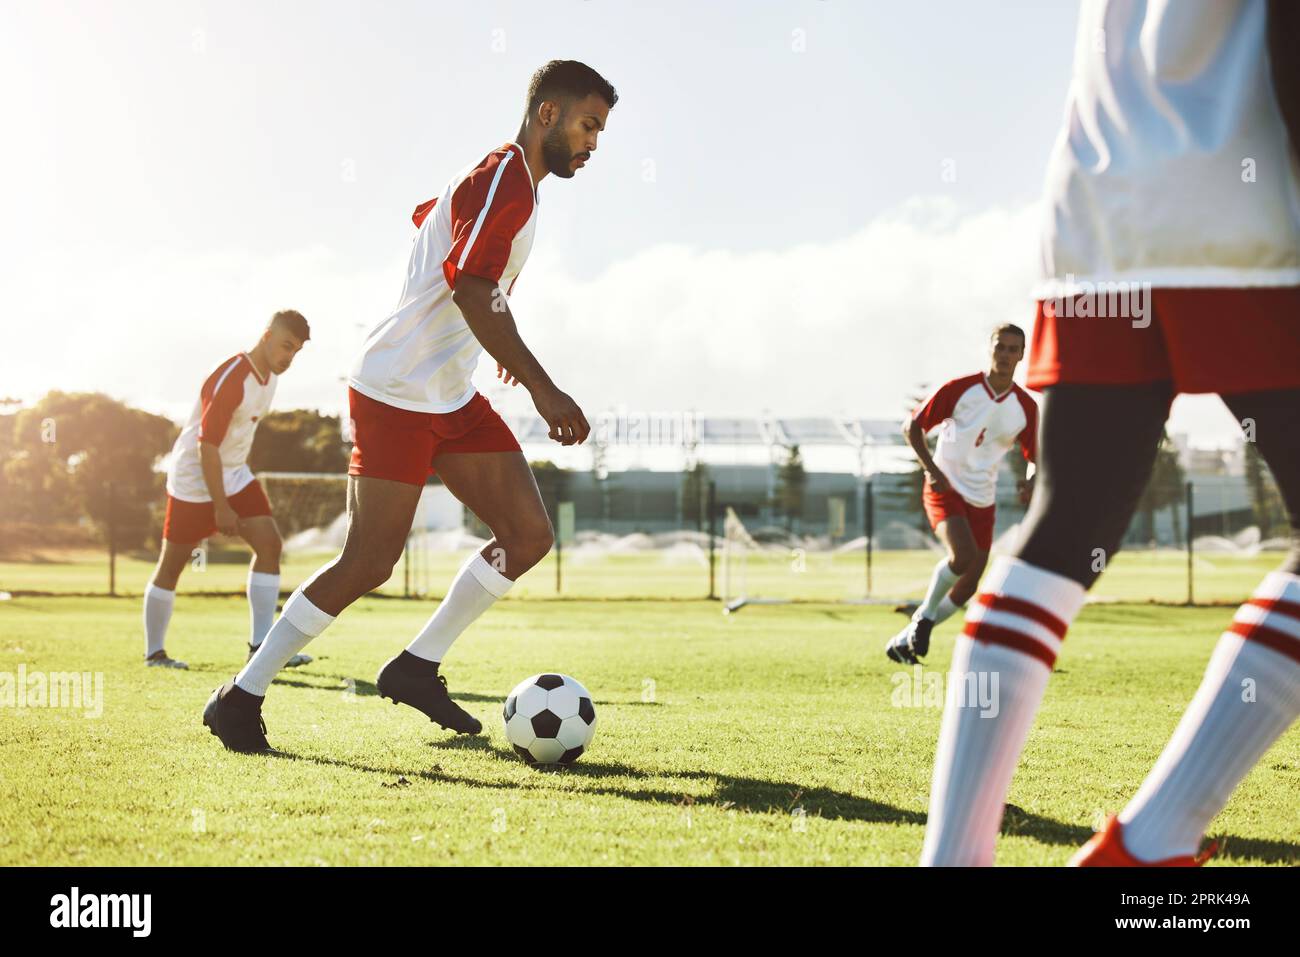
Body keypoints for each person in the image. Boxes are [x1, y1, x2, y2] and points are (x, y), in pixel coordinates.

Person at [920, 0, 1300, 866]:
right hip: (1252, 209)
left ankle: (954, 858)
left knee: (1064, 528)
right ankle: (1156, 838)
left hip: (1099, 204)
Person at [203, 60, 617, 753]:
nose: (593, 143)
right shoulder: (507, 178)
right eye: (587, 125)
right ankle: (239, 697)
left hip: (450, 396)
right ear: (547, 113)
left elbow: (438, 228)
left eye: (599, 131)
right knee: (368, 562)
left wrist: (485, 333)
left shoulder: (505, 182)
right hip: (395, 392)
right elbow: (470, 283)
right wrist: (541, 385)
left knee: (527, 536)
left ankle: (416, 666)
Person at [144, 310, 310, 670]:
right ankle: (155, 654)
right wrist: (221, 507)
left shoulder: (270, 378)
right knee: (172, 564)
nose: (289, 357)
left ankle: (261, 648)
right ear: (266, 336)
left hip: (234, 473)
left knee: (269, 545)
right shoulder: (231, 378)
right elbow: (207, 447)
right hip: (195, 478)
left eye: (296, 351)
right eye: (286, 346)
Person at [885, 325, 1037, 665]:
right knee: (963, 555)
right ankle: (924, 619)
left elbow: (1036, 458)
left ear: (1022, 355)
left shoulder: (1025, 406)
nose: (1005, 354)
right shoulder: (961, 388)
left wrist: (1031, 481)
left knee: (969, 582)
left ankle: (905, 639)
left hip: (983, 497)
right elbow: (913, 426)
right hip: (946, 487)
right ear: (990, 349)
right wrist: (931, 470)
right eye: (1000, 347)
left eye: (1013, 349)